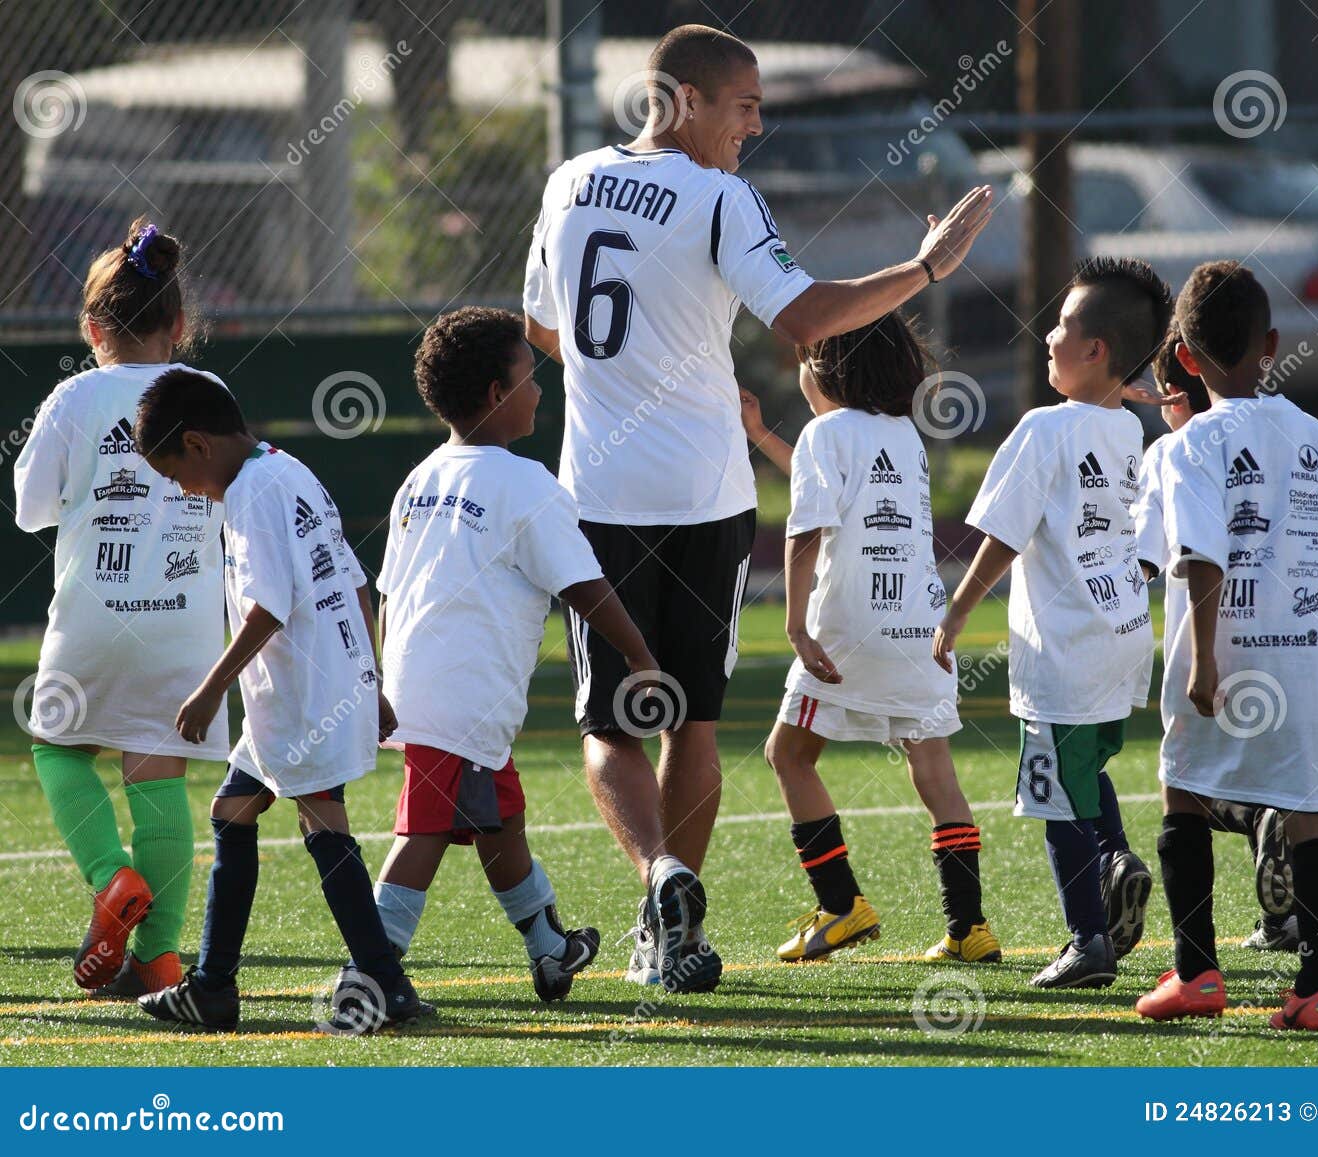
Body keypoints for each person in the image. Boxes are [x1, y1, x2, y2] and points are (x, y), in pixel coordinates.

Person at [521, 23, 993, 992]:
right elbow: (806, 316)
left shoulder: (567, 180)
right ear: (686, 100)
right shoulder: (717, 196)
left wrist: (630, 379)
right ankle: (676, 917)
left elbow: (542, 327)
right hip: (707, 492)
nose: (756, 126)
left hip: (601, 492)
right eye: (745, 106)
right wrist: (926, 268)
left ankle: (662, 885)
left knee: (611, 725)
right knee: (691, 720)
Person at [1138, 260, 1318, 1031]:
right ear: (1271, 344)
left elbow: (1199, 552)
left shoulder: (1192, 444)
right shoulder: (1314, 434)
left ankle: (1197, 971)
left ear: (1183, 356)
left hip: (1231, 648)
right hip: (1307, 653)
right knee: (1309, 804)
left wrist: (1206, 658)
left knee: (1182, 787)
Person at [371, 307, 654, 1001]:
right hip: (461, 698)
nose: (540, 391)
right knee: (425, 831)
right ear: (497, 394)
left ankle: (550, 947)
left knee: (499, 817)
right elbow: (585, 587)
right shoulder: (526, 483)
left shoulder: (418, 478)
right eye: (532, 376)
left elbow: (387, 594)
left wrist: (378, 679)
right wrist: (642, 656)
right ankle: (371, 973)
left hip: (431, 690)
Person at [131, 370, 427, 1033]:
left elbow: (271, 605)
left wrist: (210, 688)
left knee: (323, 829)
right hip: (317, 685)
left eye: (174, 471)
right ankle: (215, 987)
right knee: (235, 813)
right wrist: (371, 676)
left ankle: (383, 981)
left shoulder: (251, 493)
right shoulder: (287, 471)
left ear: (198, 444)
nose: (181, 488)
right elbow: (353, 576)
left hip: (302, 693)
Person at [935, 258, 1173, 989]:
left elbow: (1003, 534)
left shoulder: (1044, 428)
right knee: (1084, 771)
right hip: (1125, 631)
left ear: (1096, 349)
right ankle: (1117, 861)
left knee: (1053, 791)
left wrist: (956, 612)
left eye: (1063, 326)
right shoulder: (1130, 429)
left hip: (1064, 641)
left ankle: (1087, 939)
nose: (1046, 336)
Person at [13, 219, 227, 997]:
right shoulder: (212, 394)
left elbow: (31, 509)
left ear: (92, 328)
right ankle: (162, 957)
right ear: (179, 326)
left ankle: (112, 879)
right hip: (188, 626)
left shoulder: (75, 395)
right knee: (157, 774)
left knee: (56, 748)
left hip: (95, 617)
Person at [750, 312, 998, 964]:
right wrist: (761, 438)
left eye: (807, 356)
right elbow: (833, 489)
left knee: (789, 756)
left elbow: (806, 529)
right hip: (922, 634)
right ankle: (968, 927)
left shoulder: (822, 434)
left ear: (827, 369)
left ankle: (841, 906)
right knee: (934, 770)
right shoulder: (903, 437)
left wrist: (795, 625)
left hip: (847, 633)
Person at [1132, 324, 1299, 953]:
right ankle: (1286, 920)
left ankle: (1193, 960)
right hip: (1287, 644)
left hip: (1208, 652)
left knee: (1187, 783)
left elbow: (1147, 559)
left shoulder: (1173, 456)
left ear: (1178, 389)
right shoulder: (1290, 434)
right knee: (1280, 777)